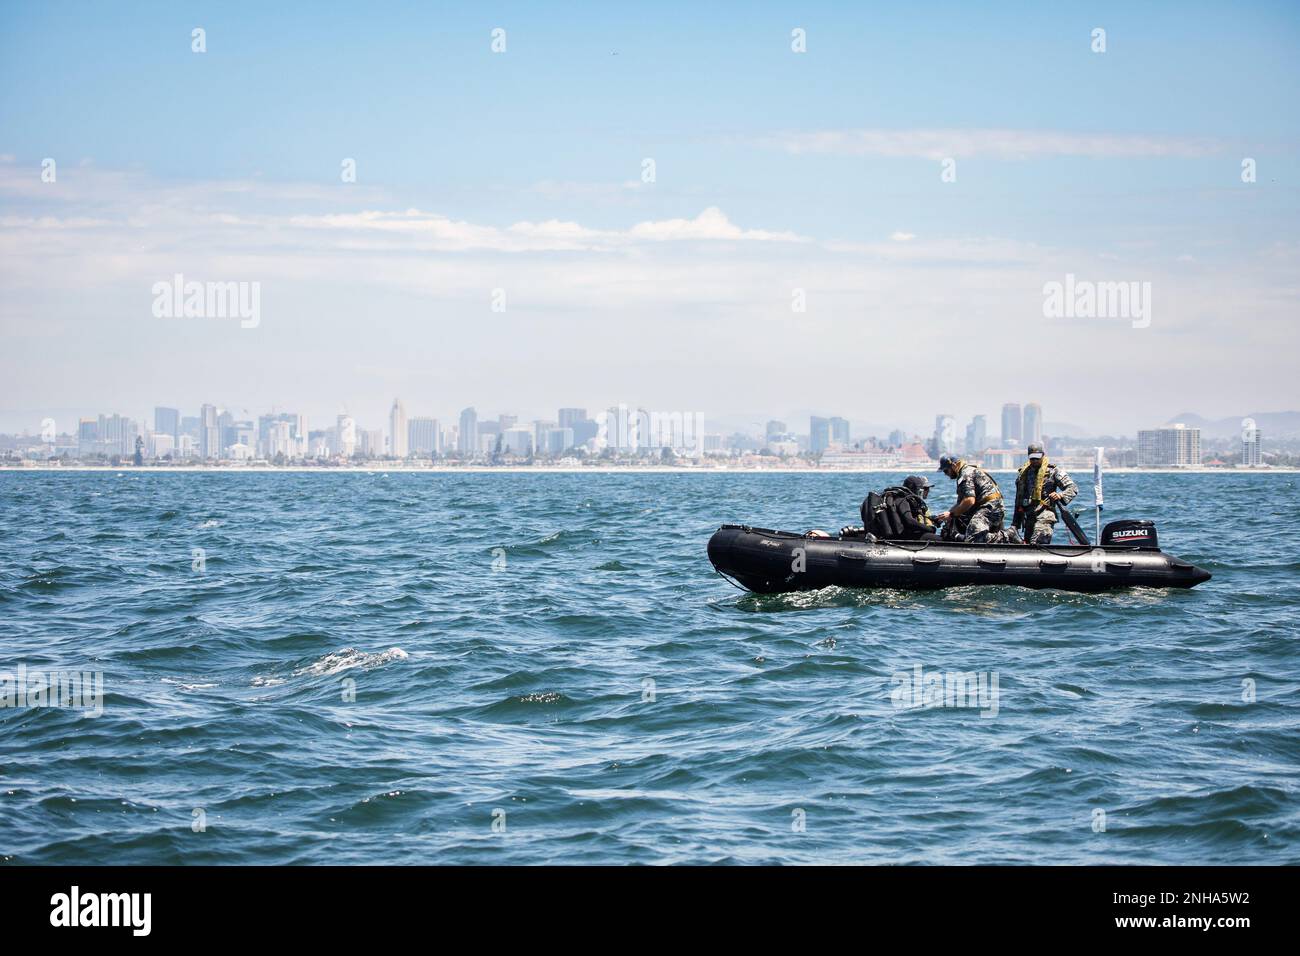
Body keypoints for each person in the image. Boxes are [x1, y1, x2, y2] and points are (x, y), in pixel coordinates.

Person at [1011, 442, 1078, 545]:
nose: (1035, 460)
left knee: (1038, 541)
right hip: (1029, 516)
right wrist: (1016, 522)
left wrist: (1060, 495)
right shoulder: (1023, 473)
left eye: (1037, 457)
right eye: (1032, 458)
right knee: (1027, 545)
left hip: (1046, 514)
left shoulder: (1053, 471)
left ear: (1043, 455)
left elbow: (1072, 488)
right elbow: (1018, 499)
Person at [934, 455, 1005, 542]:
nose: (946, 474)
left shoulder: (965, 474)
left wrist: (951, 514)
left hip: (990, 508)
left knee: (973, 537)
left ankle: (1007, 535)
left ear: (953, 466)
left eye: (946, 471)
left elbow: (969, 501)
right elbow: (961, 504)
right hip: (992, 507)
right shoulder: (966, 471)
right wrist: (947, 515)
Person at [890, 475, 939, 540]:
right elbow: (910, 521)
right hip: (905, 537)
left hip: (908, 534)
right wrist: (930, 529)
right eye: (919, 491)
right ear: (913, 490)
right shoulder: (902, 500)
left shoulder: (909, 501)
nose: (921, 493)